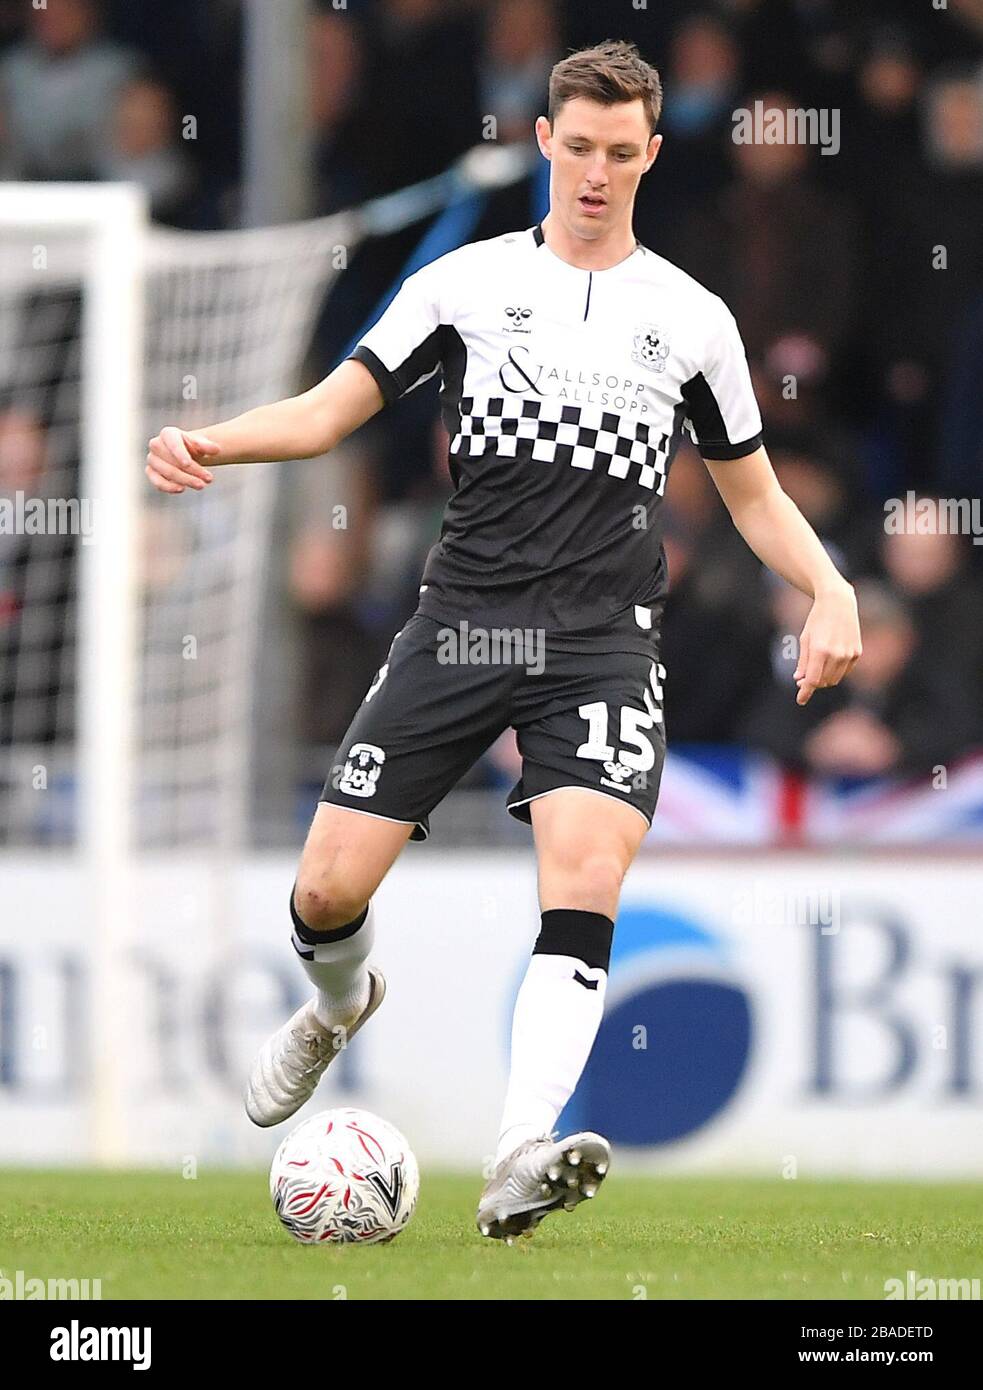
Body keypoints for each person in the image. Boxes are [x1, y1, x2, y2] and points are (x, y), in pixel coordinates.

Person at [145, 40, 862, 1242]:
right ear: (542, 141)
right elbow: (331, 410)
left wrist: (829, 586)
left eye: (619, 154)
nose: (593, 173)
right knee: (323, 891)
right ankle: (335, 1006)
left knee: (584, 878)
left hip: (602, 642)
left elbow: (750, 495)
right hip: (461, 626)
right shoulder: (464, 285)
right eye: (575, 147)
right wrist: (214, 441)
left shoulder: (690, 319)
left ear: (650, 155)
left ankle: (520, 1144)